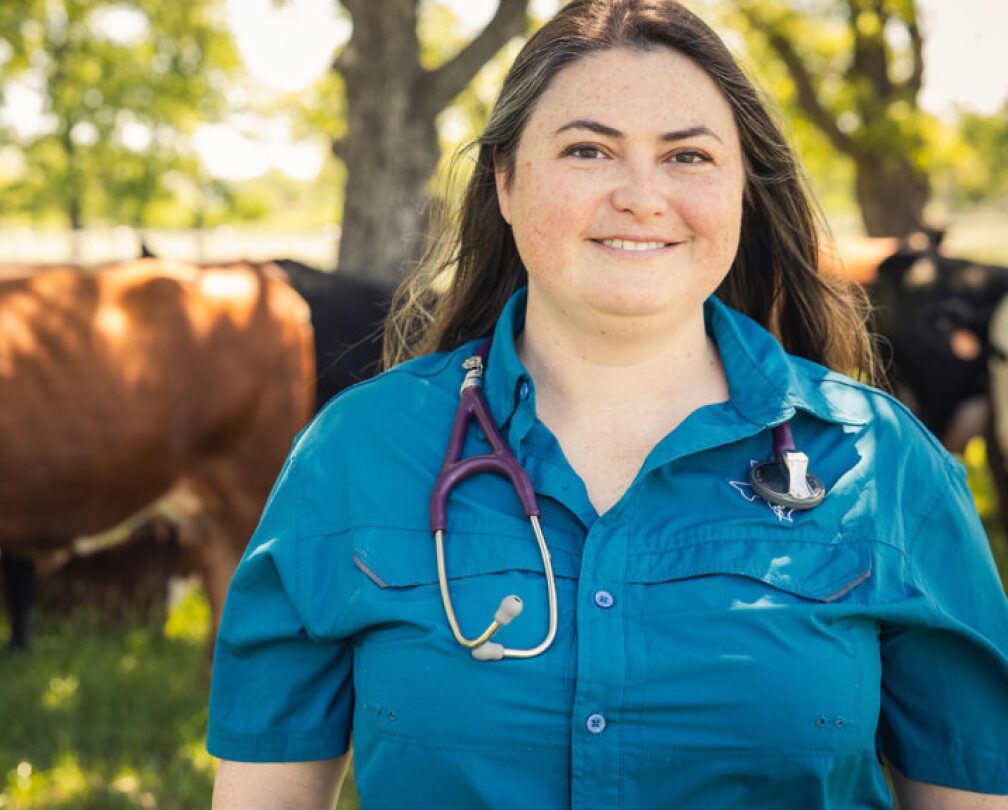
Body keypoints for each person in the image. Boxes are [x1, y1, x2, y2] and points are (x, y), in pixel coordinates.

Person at [205, 0, 1008, 807]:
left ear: (742, 193)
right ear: (507, 182)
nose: (641, 197)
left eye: (688, 156)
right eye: (589, 150)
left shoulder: (887, 466)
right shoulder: (357, 453)